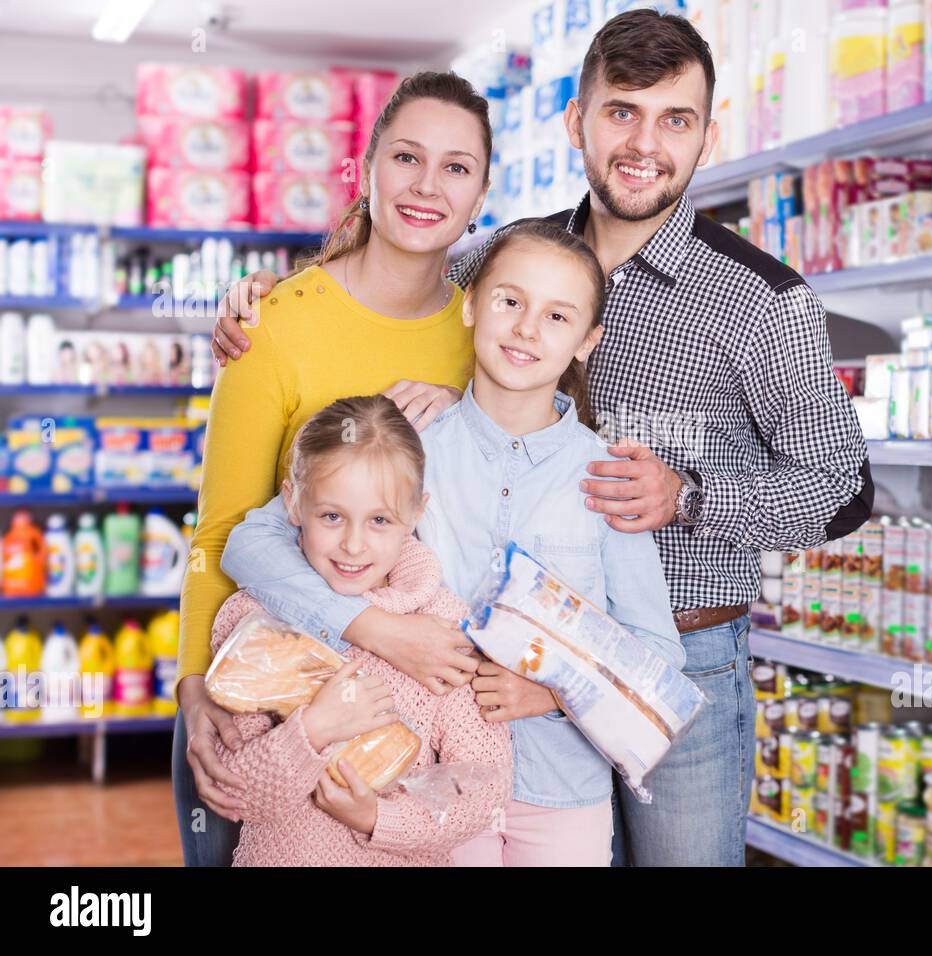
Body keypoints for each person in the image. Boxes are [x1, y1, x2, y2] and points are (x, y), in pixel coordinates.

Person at [213, 9, 872, 867]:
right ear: (577, 121)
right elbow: (390, 263)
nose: (644, 142)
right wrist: (273, 298)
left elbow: (845, 485)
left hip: (684, 664)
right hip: (465, 682)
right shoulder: (497, 263)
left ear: (708, 138)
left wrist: (691, 496)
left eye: (675, 120)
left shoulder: (761, 297)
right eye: (620, 112)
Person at [221, 220, 683, 866]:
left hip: (562, 788)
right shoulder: (412, 450)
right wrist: (372, 625)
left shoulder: (605, 477)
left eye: (557, 316)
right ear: (470, 305)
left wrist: (554, 692)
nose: (526, 329)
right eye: (509, 301)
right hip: (420, 785)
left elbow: (661, 658)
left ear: (587, 342)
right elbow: (250, 544)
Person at [175, 71, 493, 866]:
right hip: (260, 707)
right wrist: (192, 685)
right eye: (406, 158)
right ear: (365, 169)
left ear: (483, 189)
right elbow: (222, 528)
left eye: (456, 167)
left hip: (413, 735)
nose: (427, 186)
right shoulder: (274, 323)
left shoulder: (489, 338)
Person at [208, 395, 512, 865]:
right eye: (331, 516)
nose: (352, 544)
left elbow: (484, 784)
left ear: (415, 514)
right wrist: (313, 728)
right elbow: (235, 792)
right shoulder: (253, 621)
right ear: (292, 502)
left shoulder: (445, 629)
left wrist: (377, 818)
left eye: (379, 520)